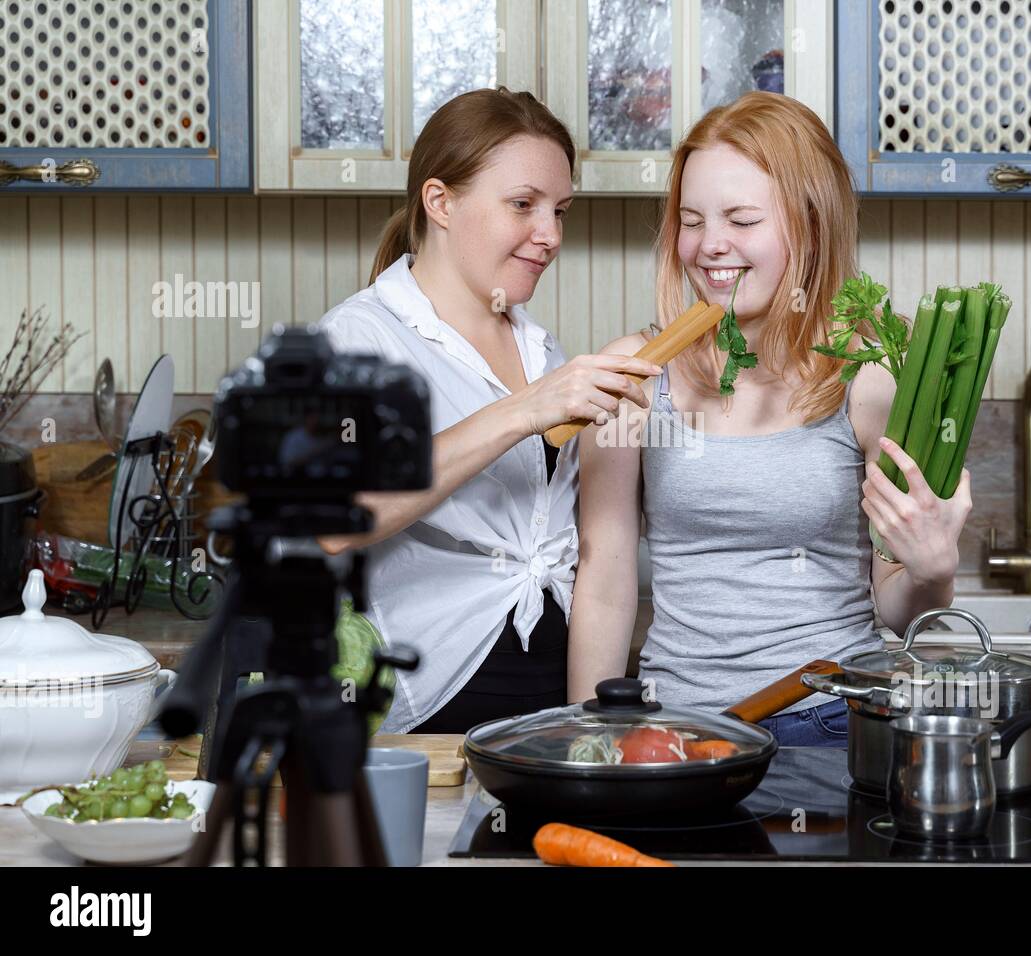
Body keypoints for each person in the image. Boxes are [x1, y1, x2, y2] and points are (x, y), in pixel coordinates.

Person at [567, 92, 974, 746]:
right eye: (692, 220)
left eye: (742, 219)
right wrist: (587, 737)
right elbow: (606, 573)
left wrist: (931, 571)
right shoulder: (633, 375)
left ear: (809, 225)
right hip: (675, 731)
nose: (709, 246)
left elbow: (898, 606)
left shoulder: (867, 376)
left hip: (831, 720)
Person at [315, 88, 661, 733]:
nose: (550, 235)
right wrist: (521, 411)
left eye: (560, 210)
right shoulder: (359, 339)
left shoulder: (537, 346)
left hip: (549, 687)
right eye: (523, 205)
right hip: (433, 698)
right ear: (440, 201)